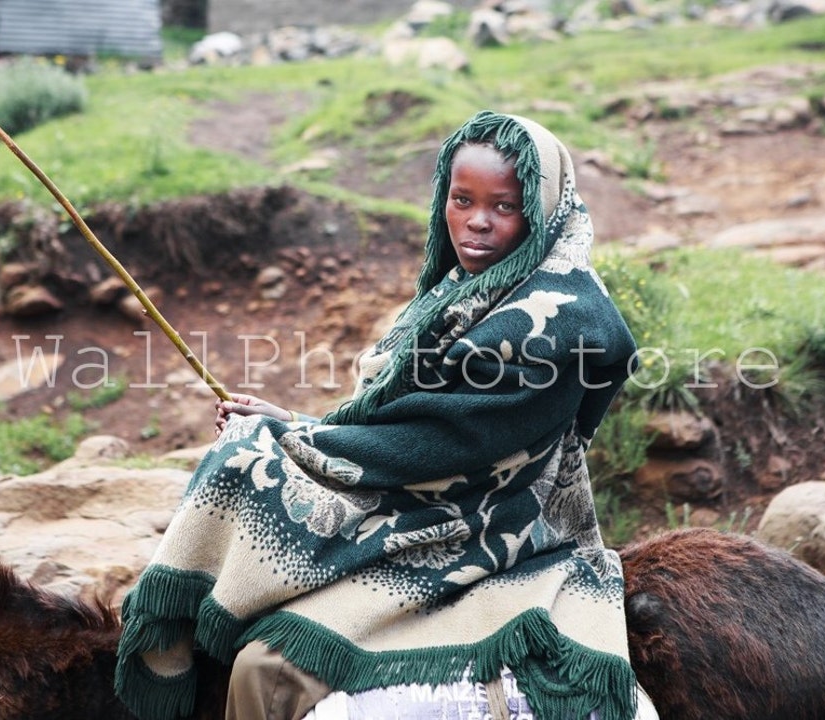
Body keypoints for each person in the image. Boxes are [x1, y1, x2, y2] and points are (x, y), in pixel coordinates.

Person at [114, 110, 650, 720]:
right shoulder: (461, 291)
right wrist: (291, 420)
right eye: (461, 198)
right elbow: (401, 423)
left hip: (488, 531)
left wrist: (295, 438)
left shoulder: (561, 323)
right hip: (424, 506)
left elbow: (442, 443)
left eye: (503, 205)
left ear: (542, 209)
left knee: (267, 667)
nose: (476, 221)